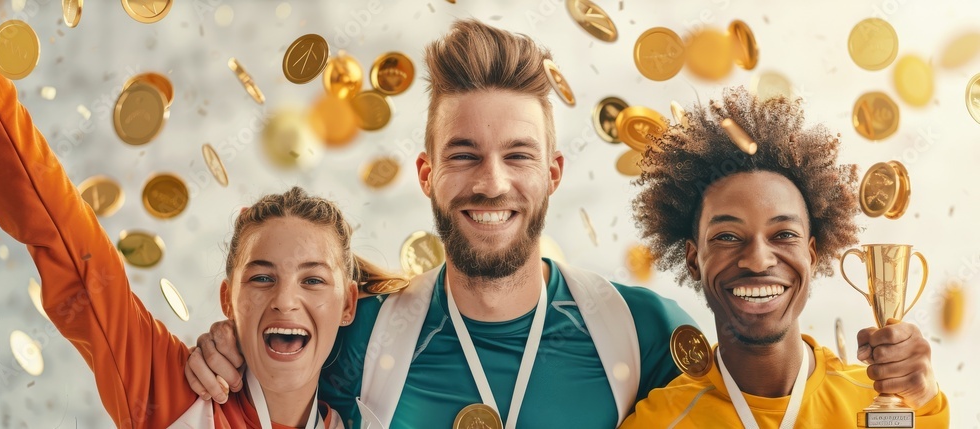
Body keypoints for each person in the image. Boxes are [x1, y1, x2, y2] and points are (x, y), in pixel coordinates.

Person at [186, 19, 695, 429]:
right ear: (427, 175)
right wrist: (228, 351)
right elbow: (270, 368)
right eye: (464, 155)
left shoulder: (645, 331)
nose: (492, 183)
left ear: (553, 174)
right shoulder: (359, 337)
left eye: (518, 156)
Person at [0, 26, 404, 428]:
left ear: (348, 304)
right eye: (261, 277)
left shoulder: (378, 415)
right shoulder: (168, 391)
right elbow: (58, 226)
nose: (284, 300)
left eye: (312, 279)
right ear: (227, 299)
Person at [618, 88, 949, 427]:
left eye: (784, 235)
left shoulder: (888, 407)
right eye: (728, 237)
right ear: (694, 260)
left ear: (812, 254)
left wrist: (924, 402)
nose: (759, 260)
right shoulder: (660, 421)